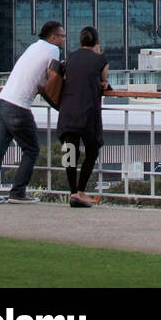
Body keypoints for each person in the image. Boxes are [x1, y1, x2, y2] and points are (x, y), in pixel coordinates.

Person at [0, 20, 67, 203]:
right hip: (18, 107)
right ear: (53, 37)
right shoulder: (53, 50)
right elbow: (51, 81)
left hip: (2, 102)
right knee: (32, 149)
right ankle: (17, 193)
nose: (64, 39)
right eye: (62, 36)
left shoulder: (34, 47)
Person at [58, 25, 110, 207]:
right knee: (92, 151)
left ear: (80, 41)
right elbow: (104, 80)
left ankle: (73, 192)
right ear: (97, 42)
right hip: (88, 113)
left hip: (68, 112)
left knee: (70, 153)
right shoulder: (100, 59)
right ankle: (80, 190)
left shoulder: (70, 57)